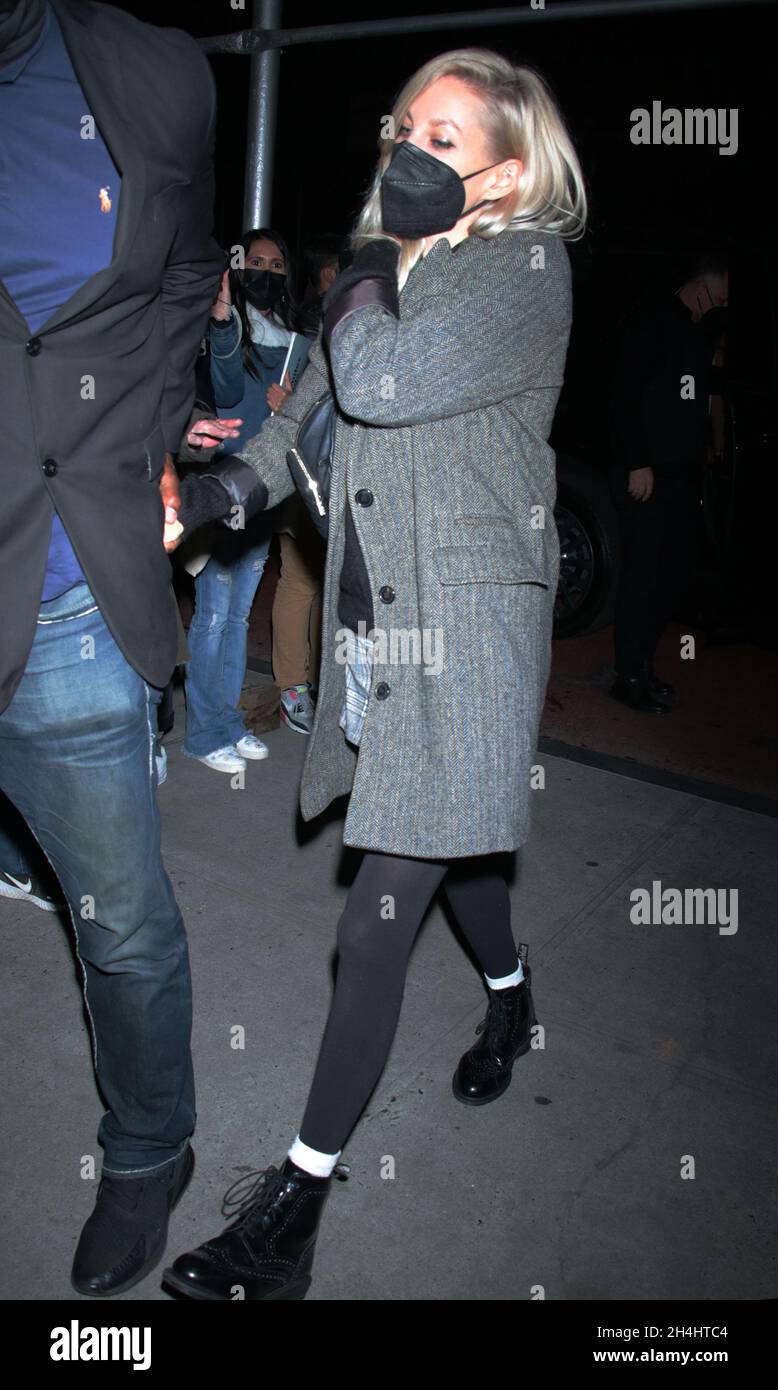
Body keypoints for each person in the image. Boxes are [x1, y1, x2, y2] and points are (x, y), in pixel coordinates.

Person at [163, 46, 584, 1301]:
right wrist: (228, 489)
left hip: (461, 633)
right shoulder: (396, 270)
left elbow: (382, 380)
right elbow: (309, 417)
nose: (408, 148)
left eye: (444, 139)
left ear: (506, 176)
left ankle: (289, 1209)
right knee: (456, 857)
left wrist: (356, 262)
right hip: (375, 625)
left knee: (378, 912)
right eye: (405, 124)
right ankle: (511, 997)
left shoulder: (521, 266)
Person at [0, 0, 224, 1296]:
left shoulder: (149, 75)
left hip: (73, 600)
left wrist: (139, 435)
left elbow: (188, 269)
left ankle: (149, 1149)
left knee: (121, 924)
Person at [180, 228, 304, 772]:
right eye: (257, 262)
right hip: (228, 488)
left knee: (235, 620)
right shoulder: (228, 332)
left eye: (277, 265)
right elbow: (227, 391)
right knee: (213, 617)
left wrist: (295, 403)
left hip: (266, 496)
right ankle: (204, 734)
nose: (267, 273)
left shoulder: (298, 339)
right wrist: (225, 318)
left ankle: (226, 722)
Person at [607, 253, 729, 713]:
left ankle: (643, 664)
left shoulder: (696, 335)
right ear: (700, 288)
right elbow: (624, 394)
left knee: (669, 576)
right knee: (643, 574)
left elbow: (696, 399)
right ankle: (627, 675)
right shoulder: (654, 323)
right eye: (719, 297)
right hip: (646, 477)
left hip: (678, 477)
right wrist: (638, 462)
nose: (720, 306)